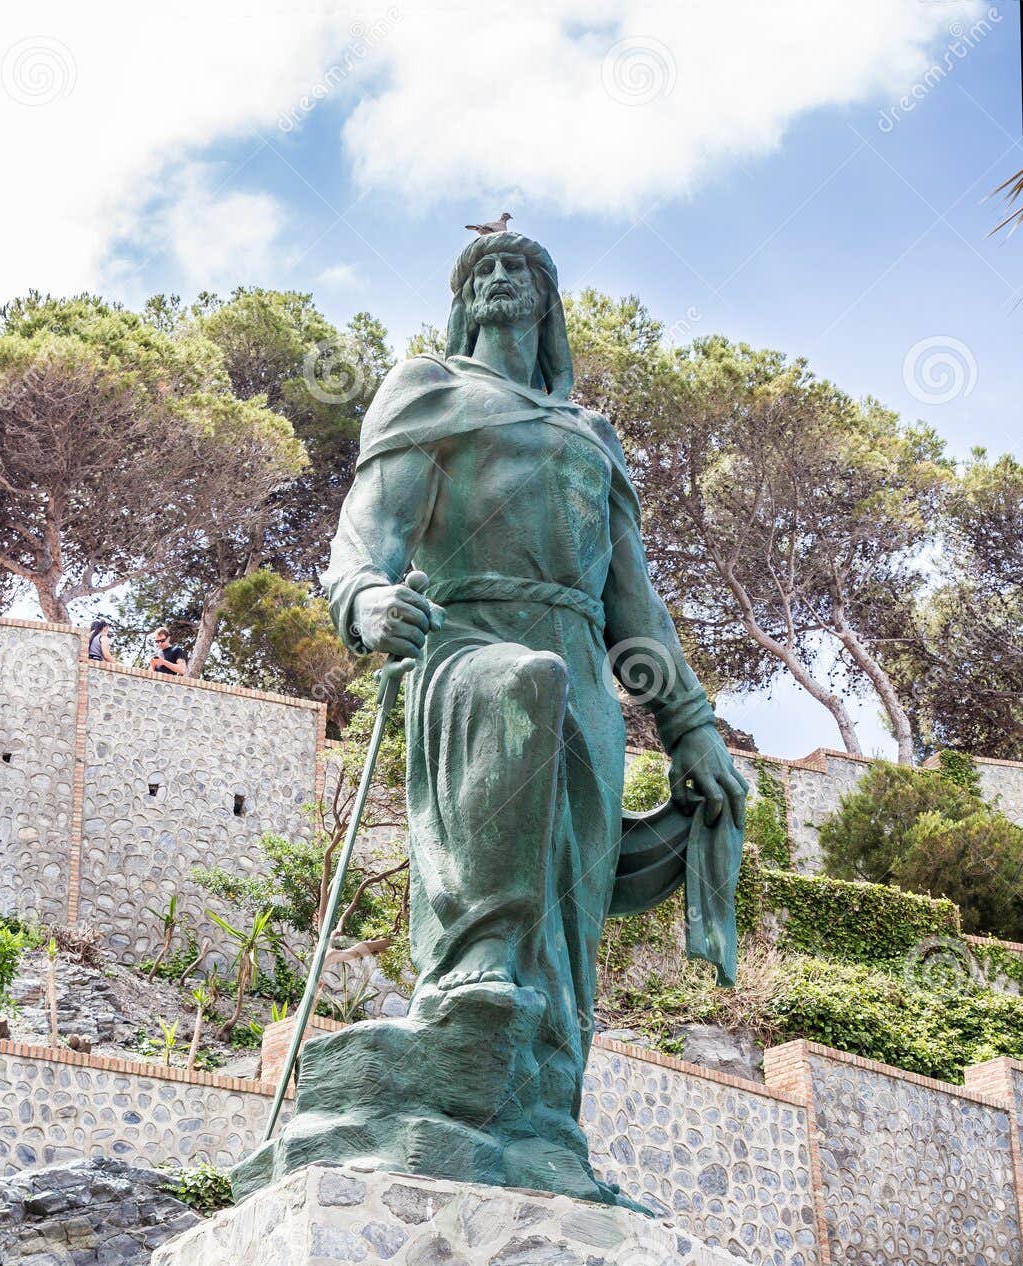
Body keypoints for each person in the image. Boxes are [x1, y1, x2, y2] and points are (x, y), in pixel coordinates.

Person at [239, 232, 747, 1212]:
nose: (504, 280)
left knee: (567, 922)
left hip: (585, 685)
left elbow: (632, 606)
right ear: (466, 300)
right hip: (466, 647)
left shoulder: (592, 435)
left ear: (548, 303)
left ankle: (545, 1130)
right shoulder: (427, 389)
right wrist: (362, 600)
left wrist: (689, 728)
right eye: (485, 272)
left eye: (523, 271)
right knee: (527, 688)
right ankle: (473, 970)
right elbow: (365, 532)